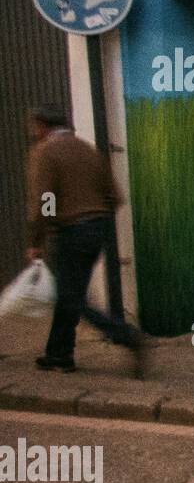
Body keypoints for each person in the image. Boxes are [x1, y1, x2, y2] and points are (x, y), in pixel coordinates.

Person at [24, 103, 147, 377]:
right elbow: (115, 196)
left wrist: (36, 240)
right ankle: (59, 354)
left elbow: (45, 200)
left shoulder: (45, 152)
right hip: (97, 229)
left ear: (42, 126)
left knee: (73, 298)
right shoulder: (87, 148)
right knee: (69, 292)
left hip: (70, 231)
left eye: (35, 126)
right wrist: (95, 218)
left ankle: (127, 336)